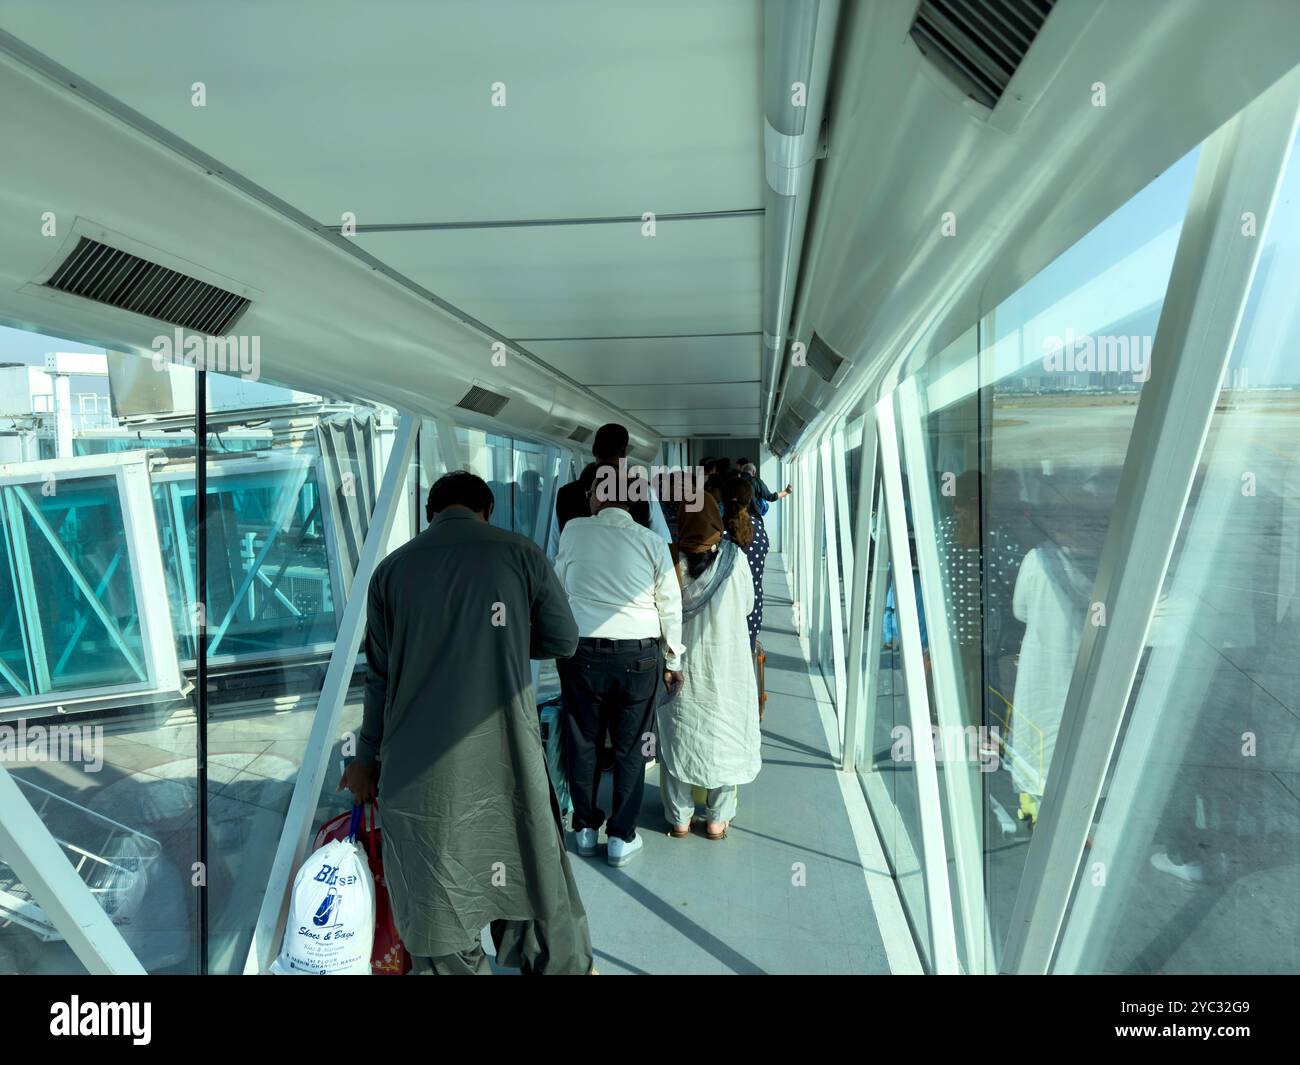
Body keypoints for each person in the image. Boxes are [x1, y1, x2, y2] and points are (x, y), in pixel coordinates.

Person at [340, 471, 592, 975]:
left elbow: (379, 681)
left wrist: (365, 760)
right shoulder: (520, 554)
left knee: (437, 894)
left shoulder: (391, 572)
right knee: (527, 866)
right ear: (488, 509)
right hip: (505, 756)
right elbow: (564, 640)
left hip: (417, 773)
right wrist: (503, 642)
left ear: (430, 513)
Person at [554, 463, 684, 867]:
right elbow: (670, 605)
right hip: (639, 656)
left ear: (597, 495)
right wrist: (674, 658)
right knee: (632, 747)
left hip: (581, 653)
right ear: (633, 499)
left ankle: (586, 828)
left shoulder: (574, 531)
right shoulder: (651, 541)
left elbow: (560, 586)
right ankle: (621, 838)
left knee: (584, 740)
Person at [657, 494, 760, 841]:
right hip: (727, 667)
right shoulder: (736, 560)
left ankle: (680, 820)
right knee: (725, 737)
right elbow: (746, 606)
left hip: (682, 668)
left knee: (680, 738)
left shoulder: (671, 560)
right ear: (717, 521)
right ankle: (717, 820)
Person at [555, 423, 670, 540]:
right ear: (624, 453)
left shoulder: (565, 493)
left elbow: (554, 547)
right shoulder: (643, 490)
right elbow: (664, 540)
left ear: (594, 450)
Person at [722, 475, 769, 651]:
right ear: (749, 500)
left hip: (721, 613)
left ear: (723, 499)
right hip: (752, 613)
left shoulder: (717, 531)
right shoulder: (759, 530)